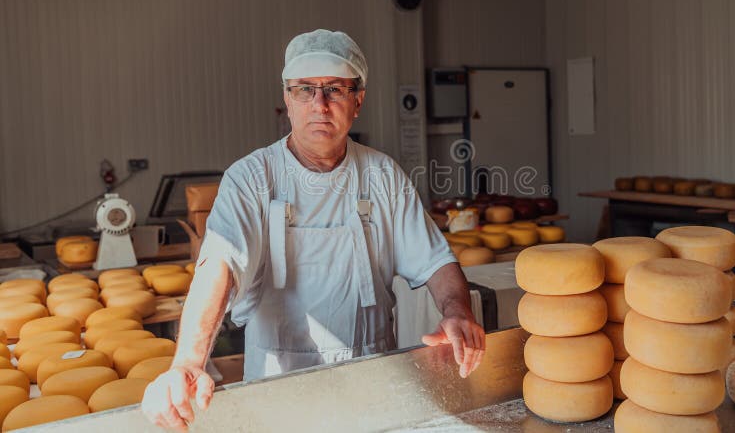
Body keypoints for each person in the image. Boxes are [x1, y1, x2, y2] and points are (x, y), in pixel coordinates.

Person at [142, 29, 485, 430]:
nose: (319, 105)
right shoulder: (253, 177)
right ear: (287, 99)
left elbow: (435, 261)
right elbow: (219, 264)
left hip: (371, 380)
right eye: (305, 90)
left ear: (358, 100)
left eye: (334, 89)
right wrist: (188, 362)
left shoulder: (382, 175)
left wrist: (458, 312)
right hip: (277, 388)